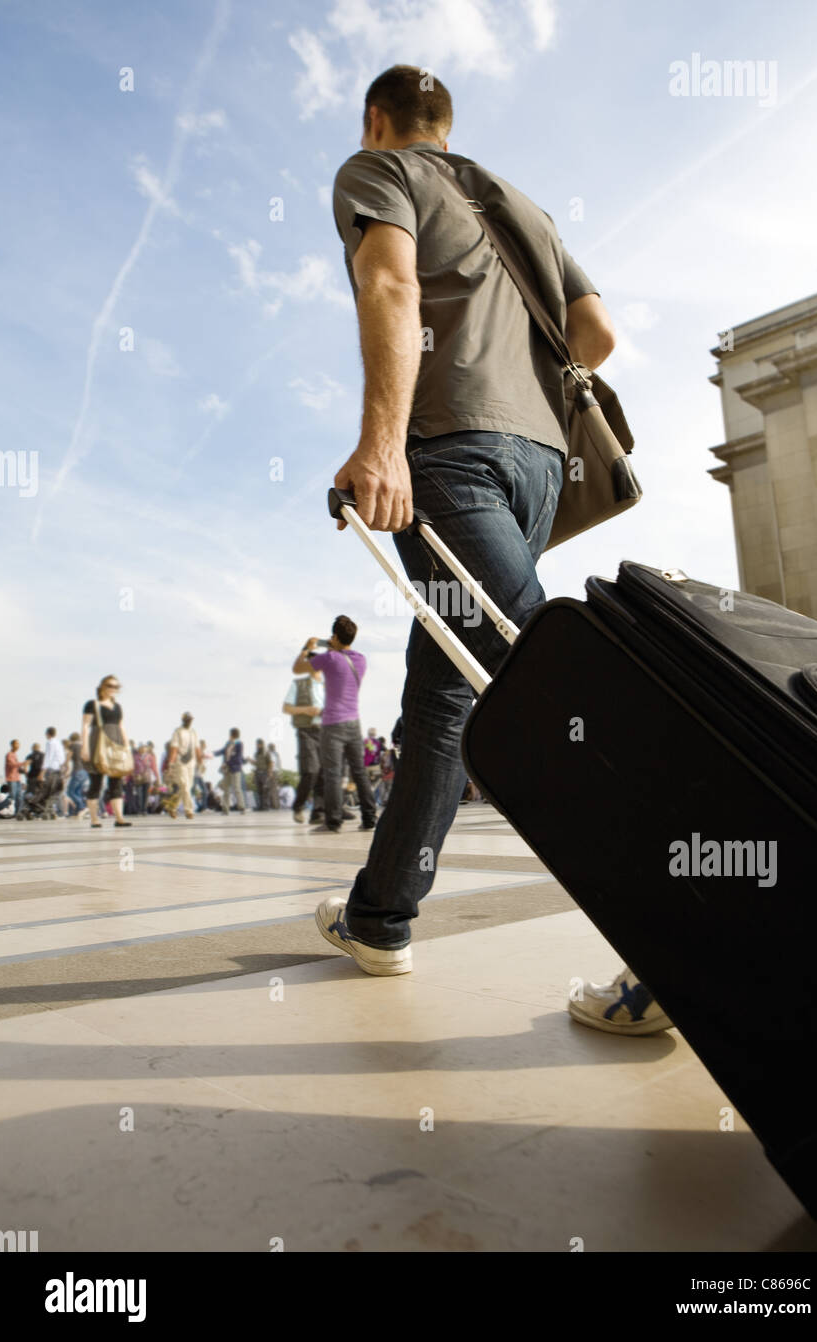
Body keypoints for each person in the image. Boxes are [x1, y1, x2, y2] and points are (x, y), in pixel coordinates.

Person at [312, 64, 652, 1033]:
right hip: (539, 463)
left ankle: (691, 925)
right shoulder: (523, 206)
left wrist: (383, 442)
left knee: (545, 682)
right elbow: (594, 334)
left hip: (451, 450)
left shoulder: (377, 171)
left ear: (379, 121)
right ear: (446, 124)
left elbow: (386, 281)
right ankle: (380, 916)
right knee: (444, 696)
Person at [291, 616, 377, 833]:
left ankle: (333, 821)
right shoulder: (361, 659)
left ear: (336, 636)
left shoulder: (329, 659)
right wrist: (334, 645)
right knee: (359, 771)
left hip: (332, 724)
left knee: (333, 774)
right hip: (354, 723)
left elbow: (297, 668)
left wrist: (308, 647)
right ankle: (369, 818)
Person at [81, 675, 132, 828]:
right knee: (95, 781)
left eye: (116, 687)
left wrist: (127, 746)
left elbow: (121, 726)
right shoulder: (92, 705)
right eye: (110, 685)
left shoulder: (118, 707)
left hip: (115, 745)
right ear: (102, 686)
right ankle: (94, 819)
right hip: (97, 744)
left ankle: (119, 818)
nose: (113, 689)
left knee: (116, 782)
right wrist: (85, 747)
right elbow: (85, 726)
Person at [284, 664, 326, 823]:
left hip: (325, 731)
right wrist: (305, 710)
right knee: (310, 771)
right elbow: (286, 708)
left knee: (323, 772)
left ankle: (318, 812)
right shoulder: (298, 684)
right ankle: (298, 806)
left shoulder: (328, 686)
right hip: (306, 731)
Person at [163, 712, 200, 820]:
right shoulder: (178, 732)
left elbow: (197, 747)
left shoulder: (193, 732)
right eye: (187, 719)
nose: (189, 721)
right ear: (183, 720)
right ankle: (189, 810)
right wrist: (170, 763)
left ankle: (172, 807)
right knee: (184, 785)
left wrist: (200, 760)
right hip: (180, 762)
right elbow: (174, 748)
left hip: (191, 763)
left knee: (186, 788)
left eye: (191, 719)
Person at [214, 729, 247, 814]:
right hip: (227, 770)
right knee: (226, 789)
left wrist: (226, 763)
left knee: (237, 788)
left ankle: (242, 807)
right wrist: (211, 754)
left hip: (235, 769)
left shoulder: (239, 744)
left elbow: (237, 757)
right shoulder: (228, 743)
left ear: (232, 735)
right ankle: (225, 809)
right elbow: (222, 751)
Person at [40, 727, 65, 813]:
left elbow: (48, 757)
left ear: (48, 734)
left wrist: (42, 772)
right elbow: (61, 758)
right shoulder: (58, 743)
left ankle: (49, 810)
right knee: (56, 792)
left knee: (49, 791)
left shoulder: (50, 742)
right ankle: (60, 811)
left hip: (51, 769)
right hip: (58, 769)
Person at [65, 732, 88, 817]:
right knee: (77, 792)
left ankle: (82, 807)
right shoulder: (82, 746)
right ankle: (79, 810)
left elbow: (69, 756)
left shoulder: (73, 745)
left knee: (70, 791)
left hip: (77, 771)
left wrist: (65, 764)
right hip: (85, 772)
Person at [4, 740, 24, 818]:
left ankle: (18, 812)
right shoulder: (9, 755)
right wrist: (23, 763)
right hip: (11, 779)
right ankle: (5, 810)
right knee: (12, 796)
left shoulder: (15, 754)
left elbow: (16, 766)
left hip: (17, 778)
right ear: (12, 745)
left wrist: (22, 769)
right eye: (16, 744)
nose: (18, 746)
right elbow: (12, 765)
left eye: (18, 744)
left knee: (19, 796)